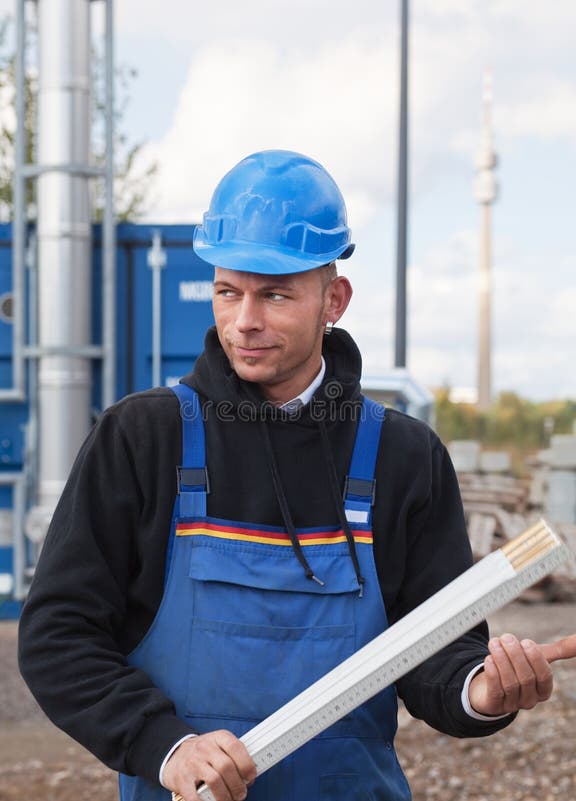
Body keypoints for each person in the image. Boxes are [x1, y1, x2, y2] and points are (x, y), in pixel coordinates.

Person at [18, 149, 576, 801]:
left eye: (274, 293)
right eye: (228, 291)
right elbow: (58, 633)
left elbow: (437, 655)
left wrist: (480, 691)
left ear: (333, 298)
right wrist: (164, 744)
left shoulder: (404, 457)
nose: (244, 320)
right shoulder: (144, 439)